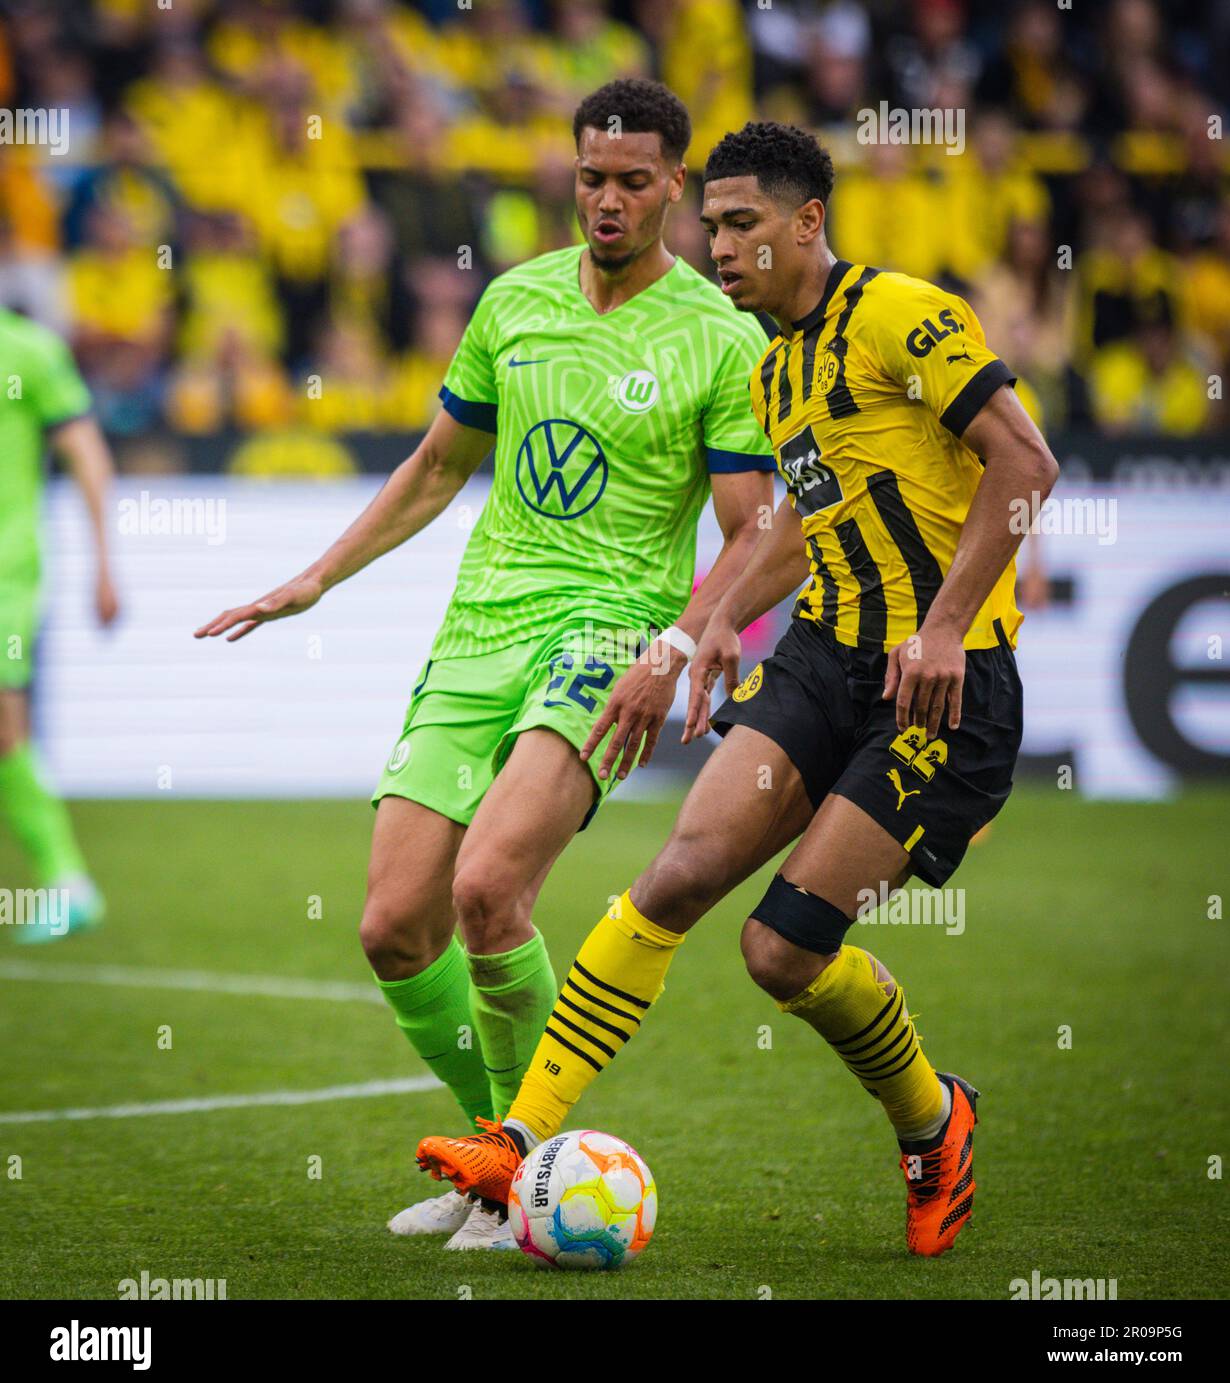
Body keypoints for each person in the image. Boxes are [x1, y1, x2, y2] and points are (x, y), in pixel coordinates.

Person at [416, 121, 1060, 1258]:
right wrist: (695, 634)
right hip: (822, 659)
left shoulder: (902, 315)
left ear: (807, 222)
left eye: (740, 223)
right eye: (709, 224)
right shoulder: (773, 366)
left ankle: (931, 1119)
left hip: (938, 689)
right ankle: (515, 1142)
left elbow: (1024, 462)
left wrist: (947, 626)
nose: (717, 245)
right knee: (676, 872)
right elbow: (792, 524)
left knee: (779, 949)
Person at [194, 80, 774, 1251]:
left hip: (608, 634)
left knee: (487, 891)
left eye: (631, 181)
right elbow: (430, 467)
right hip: (479, 632)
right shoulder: (510, 303)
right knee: (393, 926)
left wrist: (678, 643)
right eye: (589, 176)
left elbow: (755, 524)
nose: (605, 200)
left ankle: (513, 1165)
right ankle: (487, 1156)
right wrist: (314, 577)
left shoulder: (719, 332)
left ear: (673, 184)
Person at [0, 307, 118, 944]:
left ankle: (66, 880)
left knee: (3, 724)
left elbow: (87, 454)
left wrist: (104, 564)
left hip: (5, 574)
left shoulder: (28, 351)